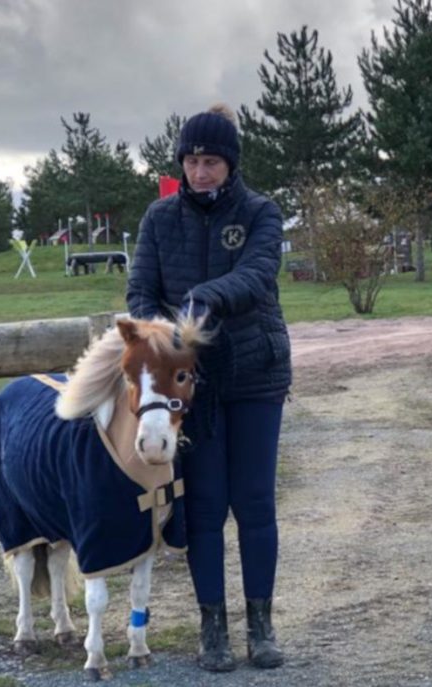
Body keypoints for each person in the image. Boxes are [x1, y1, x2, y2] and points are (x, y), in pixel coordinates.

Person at [127, 103, 292, 670]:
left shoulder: (261, 211)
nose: (201, 172)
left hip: (254, 375)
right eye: (192, 161)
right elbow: (141, 293)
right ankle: (212, 629)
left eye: (212, 162)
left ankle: (262, 627)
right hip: (188, 387)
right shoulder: (157, 219)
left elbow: (257, 274)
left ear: (230, 163)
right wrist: (161, 333)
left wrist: (206, 298)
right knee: (204, 507)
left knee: (253, 503)